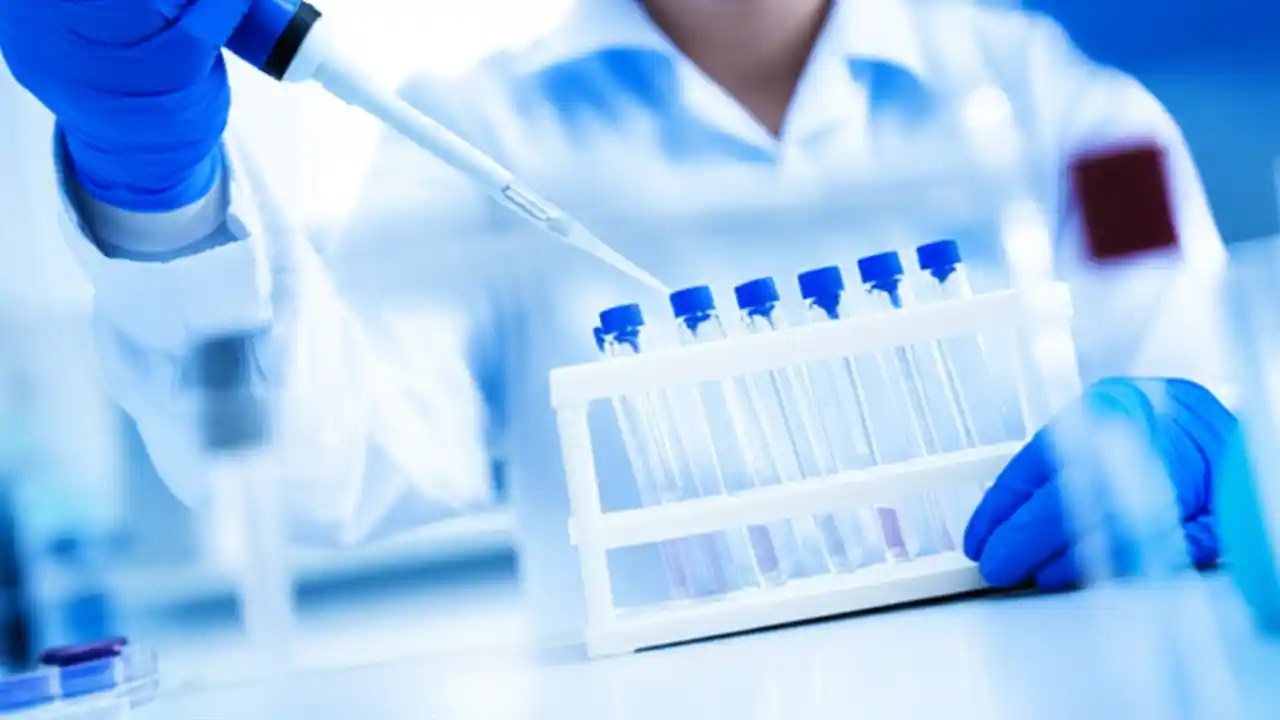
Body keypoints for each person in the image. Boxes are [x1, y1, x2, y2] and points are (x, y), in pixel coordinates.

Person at [0, 0, 1238, 647]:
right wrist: (155, 183)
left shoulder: (1057, 107)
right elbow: (313, 470)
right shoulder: (474, 139)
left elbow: (1222, 439)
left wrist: (1213, 448)